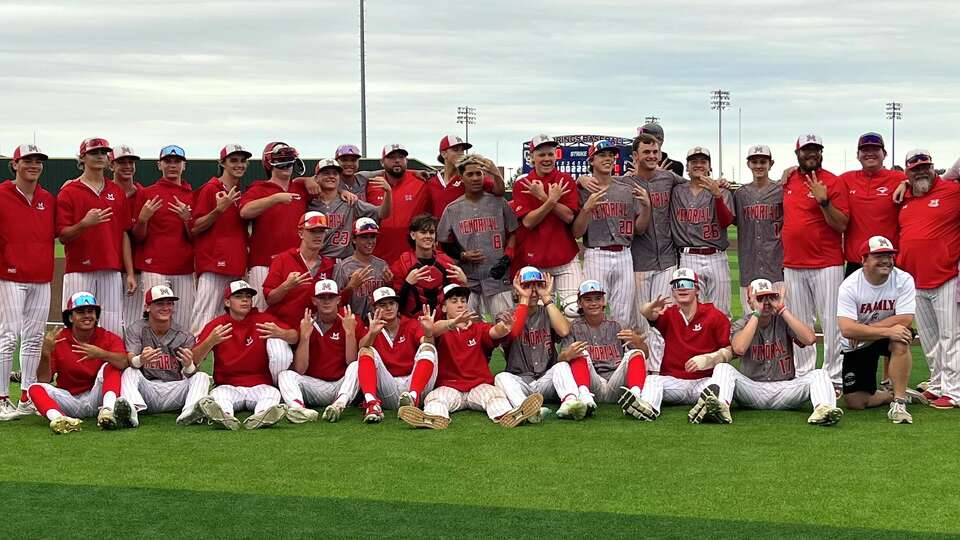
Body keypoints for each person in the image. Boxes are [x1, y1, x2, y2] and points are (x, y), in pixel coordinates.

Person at [397, 283, 541, 429]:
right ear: (444, 307)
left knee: (495, 395)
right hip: (449, 386)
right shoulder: (440, 328)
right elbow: (433, 331)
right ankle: (432, 420)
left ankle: (510, 416)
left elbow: (494, 332)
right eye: (454, 301)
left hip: (478, 385)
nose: (460, 304)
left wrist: (504, 328)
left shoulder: (478, 328)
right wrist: (452, 323)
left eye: (463, 301)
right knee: (434, 399)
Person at [716, 279, 842, 426]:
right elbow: (739, 348)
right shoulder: (741, 324)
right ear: (750, 302)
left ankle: (824, 410)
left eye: (770, 297)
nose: (766, 302)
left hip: (784, 389)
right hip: (752, 390)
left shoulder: (783, 320)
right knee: (723, 369)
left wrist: (782, 308)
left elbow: (810, 338)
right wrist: (757, 313)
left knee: (819, 374)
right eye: (760, 298)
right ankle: (720, 407)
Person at [780, 134, 849, 389]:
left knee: (832, 324)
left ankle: (833, 379)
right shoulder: (787, 181)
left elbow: (841, 224)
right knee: (799, 324)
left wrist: (824, 201)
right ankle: (804, 376)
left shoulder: (832, 181)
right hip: (794, 263)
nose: (811, 154)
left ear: (821, 152)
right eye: (806, 150)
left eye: (815, 150)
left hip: (826, 263)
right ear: (797, 153)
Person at [896, 150, 960, 409]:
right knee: (930, 338)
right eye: (915, 168)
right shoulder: (903, 197)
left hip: (946, 275)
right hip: (915, 280)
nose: (921, 171)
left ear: (934, 167)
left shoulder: (952, 191)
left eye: (926, 166)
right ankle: (937, 384)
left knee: (951, 336)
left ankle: (955, 392)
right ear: (907, 173)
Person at [837, 236, 922, 422]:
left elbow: (906, 318)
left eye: (889, 256)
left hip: (877, 333)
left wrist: (872, 329)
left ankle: (899, 403)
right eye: (879, 256)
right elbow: (847, 329)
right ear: (863, 260)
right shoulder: (849, 286)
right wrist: (883, 331)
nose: (886, 261)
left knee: (901, 336)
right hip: (860, 340)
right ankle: (892, 395)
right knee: (855, 402)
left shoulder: (903, 279)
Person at [193, 280, 296, 430]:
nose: (245, 300)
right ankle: (225, 417)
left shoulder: (262, 320)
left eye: (248, 296)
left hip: (260, 384)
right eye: (239, 296)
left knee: (272, 394)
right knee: (218, 396)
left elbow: (294, 336)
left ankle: (261, 416)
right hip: (228, 385)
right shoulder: (217, 325)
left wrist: (282, 333)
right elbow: (194, 359)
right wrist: (210, 341)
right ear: (227, 302)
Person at [0, 144, 55, 420]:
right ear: (15, 164)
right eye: (27, 161)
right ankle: (1, 400)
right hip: (9, 275)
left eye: (38, 161)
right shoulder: (2, 194)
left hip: (41, 277)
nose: (33, 165)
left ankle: (26, 397)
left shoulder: (47, 198)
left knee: (33, 339)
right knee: (7, 336)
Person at [57, 137, 133, 336]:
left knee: (113, 327)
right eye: (94, 153)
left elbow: (124, 232)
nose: (100, 156)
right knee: (75, 325)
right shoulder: (69, 191)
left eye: (103, 153)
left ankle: (109, 368)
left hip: (111, 268)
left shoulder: (116, 191)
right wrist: (84, 224)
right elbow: (63, 235)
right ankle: (72, 367)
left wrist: (130, 273)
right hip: (79, 268)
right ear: (82, 158)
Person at [637, 268, 733, 423]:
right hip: (675, 382)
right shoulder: (669, 314)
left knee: (725, 370)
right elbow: (646, 312)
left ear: (697, 289)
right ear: (673, 292)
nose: (681, 288)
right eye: (677, 285)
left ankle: (718, 408)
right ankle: (647, 408)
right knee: (653, 380)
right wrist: (650, 306)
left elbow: (728, 351)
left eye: (687, 284)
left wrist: (709, 359)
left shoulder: (715, 315)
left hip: (704, 384)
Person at [26, 292, 130, 434]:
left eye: (91, 311)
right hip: (69, 399)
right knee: (34, 388)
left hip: (97, 397)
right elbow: (44, 380)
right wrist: (45, 354)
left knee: (111, 364)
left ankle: (108, 411)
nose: (87, 316)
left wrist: (102, 354)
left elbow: (124, 363)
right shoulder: (59, 339)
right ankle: (59, 420)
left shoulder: (108, 337)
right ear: (70, 317)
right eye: (80, 312)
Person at [572, 140, 650, 325]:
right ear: (591, 161)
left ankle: (618, 352)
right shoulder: (582, 190)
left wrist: (647, 208)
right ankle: (595, 352)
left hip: (624, 254)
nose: (607, 159)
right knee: (593, 311)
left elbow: (639, 228)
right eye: (602, 155)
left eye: (610, 155)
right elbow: (576, 232)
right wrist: (586, 209)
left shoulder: (626, 189)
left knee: (622, 314)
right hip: (596, 254)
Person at [493, 268, 585, 421]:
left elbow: (563, 331)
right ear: (516, 289)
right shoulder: (505, 316)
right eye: (527, 286)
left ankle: (570, 402)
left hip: (546, 381)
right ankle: (527, 408)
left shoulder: (548, 311)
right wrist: (523, 299)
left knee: (562, 367)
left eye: (537, 286)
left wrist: (547, 298)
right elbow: (513, 333)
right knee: (501, 377)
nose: (533, 292)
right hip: (520, 381)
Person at [437, 154, 519, 318]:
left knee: (505, 325)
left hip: (496, 275)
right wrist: (462, 254)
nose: (475, 178)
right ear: (461, 177)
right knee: (466, 327)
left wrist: (507, 257)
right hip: (468, 279)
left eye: (479, 173)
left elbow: (513, 232)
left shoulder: (499, 202)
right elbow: (443, 241)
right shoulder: (452, 208)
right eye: (470, 174)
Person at [120, 285, 211, 427]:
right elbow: (131, 360)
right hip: (147, 390)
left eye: (169, 303)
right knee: (129, 371)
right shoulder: (136, 329)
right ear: (147, 307)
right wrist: (141, 359)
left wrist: (188, 365)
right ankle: (131, 411)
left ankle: (190, 412)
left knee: (202, 376)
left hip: (174, 390)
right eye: (160, 303)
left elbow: (190, 374)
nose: (166, 307)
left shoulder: (184, 334)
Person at [511, 134, 582, 316]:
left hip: (565, 257)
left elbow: (568, 217)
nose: (547, 159)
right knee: (538, 317)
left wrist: (543, 197)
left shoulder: (565, 180)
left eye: (550, 154)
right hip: (535, 260)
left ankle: (571, 346)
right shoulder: (523, 183)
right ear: (532, 157)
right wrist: (550, 200)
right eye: (542, 155)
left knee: (573, 311)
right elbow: (528, 222)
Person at [560, 280, 652, 420]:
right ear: (579, 303)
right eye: (588, 299)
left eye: (598, 298)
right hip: (592, 384)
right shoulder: (574, 327)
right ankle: (584, 396)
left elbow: (644, 354)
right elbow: (560, 360)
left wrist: (638, 342)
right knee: (579, 352)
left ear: (604, 301)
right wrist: (568, 354)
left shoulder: (617, 325)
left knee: (635, 352)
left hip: (616, 383)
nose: (594, 303)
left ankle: (635, 397)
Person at [278, 280, 367, 423]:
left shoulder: (351, 319)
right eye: (322, 297)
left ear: (338, 299)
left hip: (342, 384)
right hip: (315, 385)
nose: (327, 302)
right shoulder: (307, 321)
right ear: (314, 301)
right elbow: (300, 369)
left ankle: (339, 405)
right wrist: (305, 337)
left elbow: (350, 361)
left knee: (357, 365)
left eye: (331, 297)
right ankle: (299, 409)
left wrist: (350, 333)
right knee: (285, 375)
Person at [239, 142, 313, 310]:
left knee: (297, 309)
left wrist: (308, 180)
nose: (286, 166)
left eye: (289, 161)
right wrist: (275, 198)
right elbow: (245, 211)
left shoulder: (300, 187)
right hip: (264, 262)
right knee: (261, 309)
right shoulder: (259, 188)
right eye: (281, 161)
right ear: (269, 164)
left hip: (296, 262)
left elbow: (330, 185)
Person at [132, 145, 195, 331]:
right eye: (168, 161)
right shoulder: (147, 193)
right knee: (154, 319)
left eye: (177, 162)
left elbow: (195, 237)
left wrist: (187, 220)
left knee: (183, 322)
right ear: (159, 165)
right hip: (154, 265)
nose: (172, 165)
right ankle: (152, 359)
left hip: (183, 266)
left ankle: (179, 360)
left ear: (184, 165)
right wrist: (143, 219)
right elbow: (137, 236)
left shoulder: (192, 195)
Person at [189, 144, 251, 335]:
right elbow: (195, 227)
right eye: (233, 160)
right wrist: (218, 210)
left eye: (242, 160)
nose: (239, 164)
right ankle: (193, 364)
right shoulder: (211, 188)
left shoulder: (240, 191)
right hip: (213, 265)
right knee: (203, 320)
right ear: (222, 163)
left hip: (235, 264)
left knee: (226, 323)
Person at [350, 287, 438, 418]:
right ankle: (372, 404)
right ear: (374, 309)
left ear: (397, 306)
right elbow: (361, 348)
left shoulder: (411, 324)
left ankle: (413, 398)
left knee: (428, 348)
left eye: (392, 303)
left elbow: (426, 342)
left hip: (414, 384)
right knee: (366, 350)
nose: (388, 308)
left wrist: (429, 332)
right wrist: (372, 334)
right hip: (389, 387)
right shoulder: (372, 327)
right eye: (383, 305)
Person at [670, 146, 736, 316]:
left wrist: (717, 196)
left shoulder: (722, 191)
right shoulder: (676, 190)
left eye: (703, 162)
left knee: (721, 313)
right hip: (688, 256)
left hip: (716, 257)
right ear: (687, 167)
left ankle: (721, 344)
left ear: (710, 167)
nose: (698, 165)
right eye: (694, 162)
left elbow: (726, 221)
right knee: (689, 313)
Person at [838, 133, 905, 277]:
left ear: (884, 154)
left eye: (875, 149)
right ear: (858, 155)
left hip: (888, 261)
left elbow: (926, 181)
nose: (870, 153)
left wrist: (907, 182)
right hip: (856, 262)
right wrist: (794, 169)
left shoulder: (899, 178)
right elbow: (820, 180)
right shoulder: (845, 179)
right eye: (865, 150)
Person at [262, 211, 336, 330]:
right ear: (301, 233)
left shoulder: (330, 265)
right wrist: (286, 286)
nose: (318, 236)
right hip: (281, 326)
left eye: (321, 231)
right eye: (313, 231)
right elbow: (270, 300)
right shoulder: (283, 259)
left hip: (314, 328)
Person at [733, 145, 783, 314]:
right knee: (751, 318)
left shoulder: (781, 191)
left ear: (771, 163)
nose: (759, 165)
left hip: (777, 267)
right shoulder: (740, 194)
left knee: (780, 318)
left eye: (763, 161)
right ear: (748, 164)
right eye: (754, 161)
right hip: (749, 268)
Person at [309, 158, 390, 260]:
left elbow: (382, 214)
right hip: (319, 260)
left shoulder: (349, 201)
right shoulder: (309, 203)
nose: (331, 176)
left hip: (345, 260)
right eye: (326, 173)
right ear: (316, 178)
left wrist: (388, 193)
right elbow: (298, 181)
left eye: (335, 173)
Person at [366, 144, 433, 264]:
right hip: (378, 255)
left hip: (411, 256)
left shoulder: (421, 181)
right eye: (391, 157)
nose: (397, 161)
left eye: (401, 157)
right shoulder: (371, 183)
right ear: (382, 162)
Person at [390, 213, 467, 317]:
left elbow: (459, 301)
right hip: (412, 322)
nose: (428, 236)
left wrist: (464, 282)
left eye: (431, 232)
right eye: (423, 232)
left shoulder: (446, 262)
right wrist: (407, 284)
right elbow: (395, 305)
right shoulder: (402, 264)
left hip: (443, 322)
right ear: (413, 235)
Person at [108, 145, 147, 332]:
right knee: (107, 323)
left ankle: (131, 362)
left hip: (137, 268)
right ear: (111, 165)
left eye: (131, 162)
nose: (127, 166)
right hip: (107, 268)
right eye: (122, 162)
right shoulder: (103, 193)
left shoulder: (144, 195)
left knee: (133, 325)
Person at [429, 134, 505, 217]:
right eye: (456, 150)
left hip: (463, 227)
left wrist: (496, 173)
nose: (461, 153)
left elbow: (499, 191)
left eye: (462, 150)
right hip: (438, 228)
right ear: (444, 154)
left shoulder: (469, 176)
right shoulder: (432, 180)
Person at [334, 217, 391, 319]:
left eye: (372, 236)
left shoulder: (382, 265)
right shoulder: (343, 267)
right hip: (354, 322)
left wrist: (391, 283)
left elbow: (390, 301)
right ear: (354, 239)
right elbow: (334, 303)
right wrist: (350, 287)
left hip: (379, 322)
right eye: (364, 237)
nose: (370, 241)